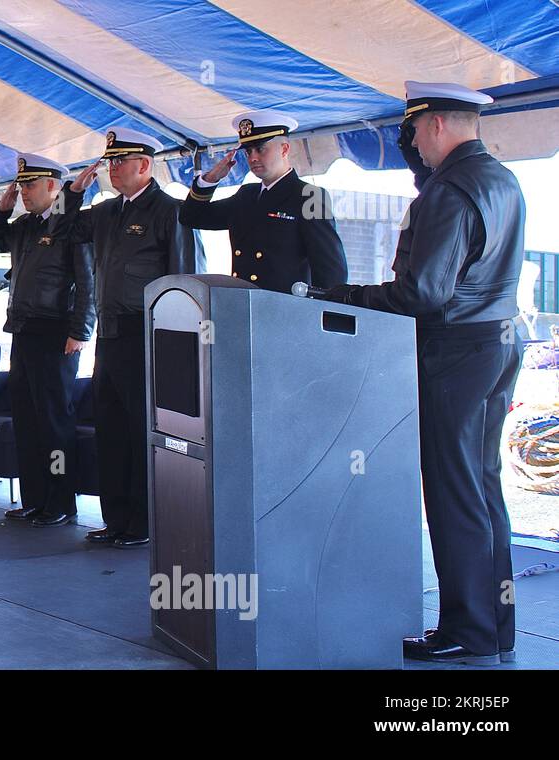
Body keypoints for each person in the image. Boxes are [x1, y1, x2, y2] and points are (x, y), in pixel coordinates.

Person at [322, 82, 523, 666]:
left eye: (412, 131)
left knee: (454, 491)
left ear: (435, 124)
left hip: (455, 350)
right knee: (483, 488)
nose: (411, 143)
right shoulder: (501, 179)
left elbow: (424, 293)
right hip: (495, 341)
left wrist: (344, 295)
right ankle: (493, 625)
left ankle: (464, 627)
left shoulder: (449, 190)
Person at [65, 128, 205, 548]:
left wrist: (178, 346)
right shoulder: (106, 213)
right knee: (111, 430)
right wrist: (74, 193)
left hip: (146, 336)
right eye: (109, 161)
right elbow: (67, 229)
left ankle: (143, 523)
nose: (112, 168)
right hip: (109, 334)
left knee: (140, 431)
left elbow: (186, 280)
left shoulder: (171, 211)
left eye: (120, 161)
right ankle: (116, 518)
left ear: (144, 165)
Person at [0, 153, 93, 527]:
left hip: (56, 331)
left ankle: (60, 501)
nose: (24, 192)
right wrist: (2, 207)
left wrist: (80, 330)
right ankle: (34, 498)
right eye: (21, 185)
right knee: (27, 419)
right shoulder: (25, 226)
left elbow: (87, 280)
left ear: (52, 186)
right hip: (24, 329)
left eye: (30, 185)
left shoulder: (71, 224)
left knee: (53, 420)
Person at [180, 110, 346, 293]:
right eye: (248, 151)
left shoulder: (310, 196)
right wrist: (210, 180)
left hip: (285, 309)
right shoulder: (246, 195)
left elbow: (330, 271)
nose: (253, 158)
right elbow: (191, 218)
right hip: (245, 302)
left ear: (284, 149)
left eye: (260, 149)